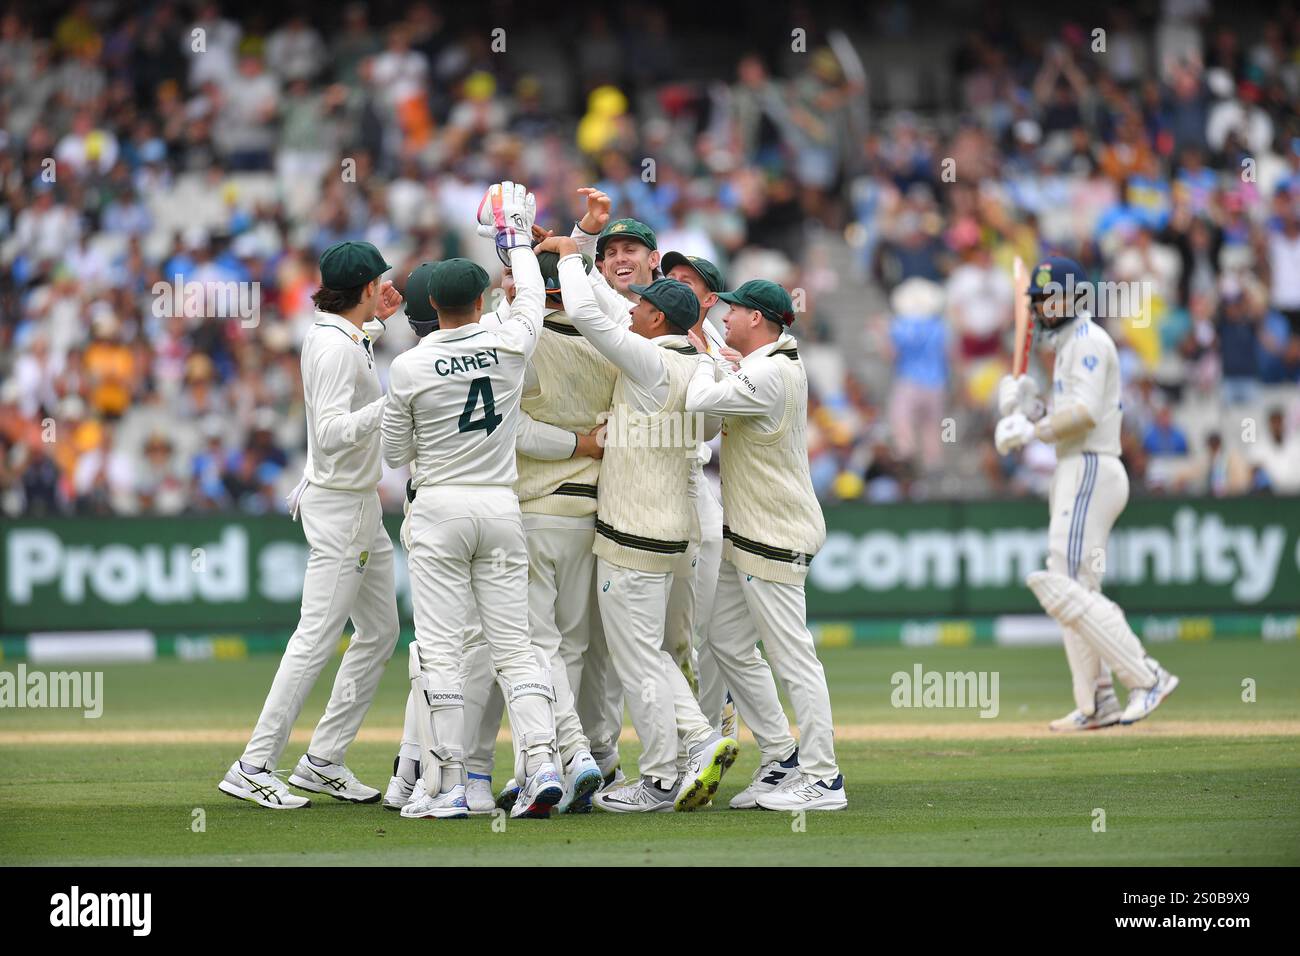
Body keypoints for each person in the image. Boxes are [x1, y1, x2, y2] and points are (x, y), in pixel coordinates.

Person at [381, 181, 564, 820]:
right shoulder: (511, 343)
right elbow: (535, 299)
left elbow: (393, 455)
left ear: (432, 302)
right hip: (500, 505)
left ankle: (451, 784)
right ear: (485, 299)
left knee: (442, 650)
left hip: (439, 509)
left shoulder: (408, 367)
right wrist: (512, 236)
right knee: (515, 647)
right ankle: (541, 762)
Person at [545, 232, 739, 812]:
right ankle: (686, 749)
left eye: (641, 307)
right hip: (675, 527)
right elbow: (706, 431)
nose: (631, 312)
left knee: (639, 657)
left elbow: (581, 309)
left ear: (657, 317)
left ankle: (670, 766)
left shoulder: (649, 357)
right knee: (652, 650)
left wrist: (569, 255)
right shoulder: (698, 366)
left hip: (632, 532)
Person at [218, 239, 402, 810]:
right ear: (367, 287)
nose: (386, 290)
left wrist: (378, 328)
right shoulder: (332, 346)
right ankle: (253, 763)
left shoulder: (344, 334)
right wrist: (398, 402)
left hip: (359, 505)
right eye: (381, 284)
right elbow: (329, 431)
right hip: (340, 505)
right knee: (315, 637)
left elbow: (350, 369)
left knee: (380, 632)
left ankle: (323, 760)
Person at [994, 256, 1180, 730]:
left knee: (1066, 585)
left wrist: (1030, 428)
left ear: (1077, 296)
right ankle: (1099, 703)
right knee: (1074, 588)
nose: (1043, 306)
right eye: (1039, 299)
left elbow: (1085, 413)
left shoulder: (1089, 341)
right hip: (1075, 468)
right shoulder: (1068, 348)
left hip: (1092, 467)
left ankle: (1146, 675)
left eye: (1051, 296)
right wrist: (1029, 403)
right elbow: (1064, 414)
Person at [684, 279, 846, 811]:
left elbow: (699, 400)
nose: (726, 317)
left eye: (732, 311)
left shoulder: (772, 371)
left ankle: (823, 777)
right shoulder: (766, 363)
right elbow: (726, 375)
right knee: (726, 641)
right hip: (746, 532)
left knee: (793, 657)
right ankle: (781, 758)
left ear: (758, 319)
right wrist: (711, 343)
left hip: (775, 534)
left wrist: (703, 352)